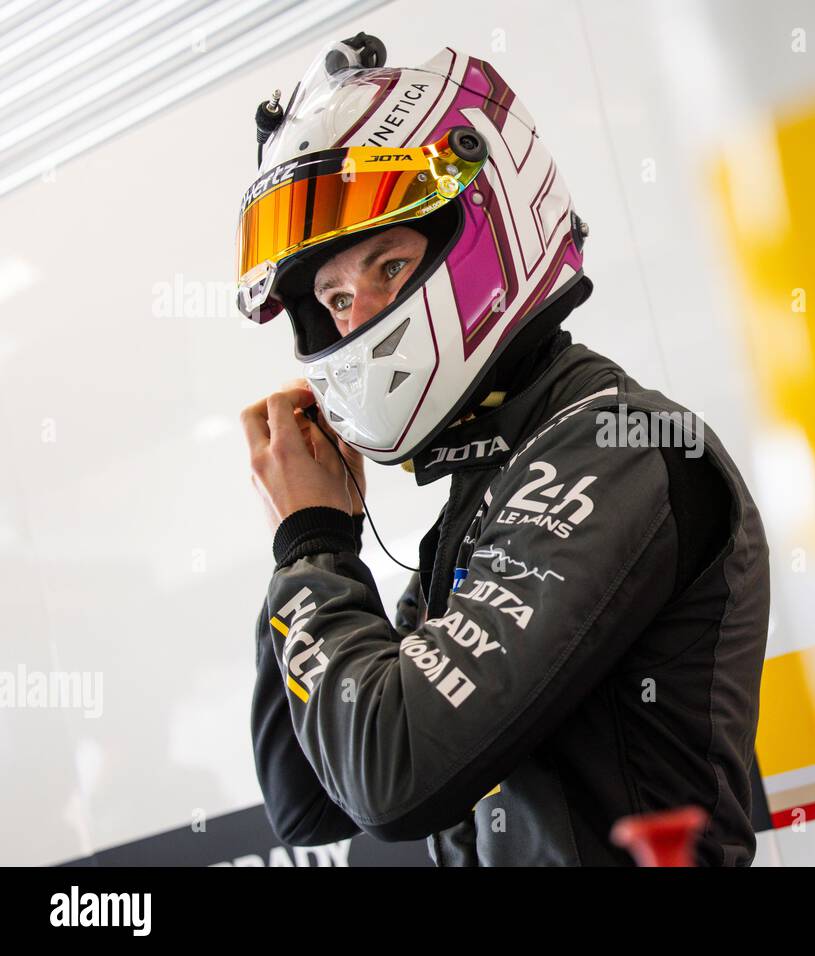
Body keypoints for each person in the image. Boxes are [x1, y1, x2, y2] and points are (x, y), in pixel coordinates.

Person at [237, 34, 770, 865]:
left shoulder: (618, 447)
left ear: (487, 231)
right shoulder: (488, 494)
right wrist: (310, 546)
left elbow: (391, 777)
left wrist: (310, 544)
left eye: (387, 264)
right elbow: (309, 802)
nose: (356, 315)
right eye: (336, 297)